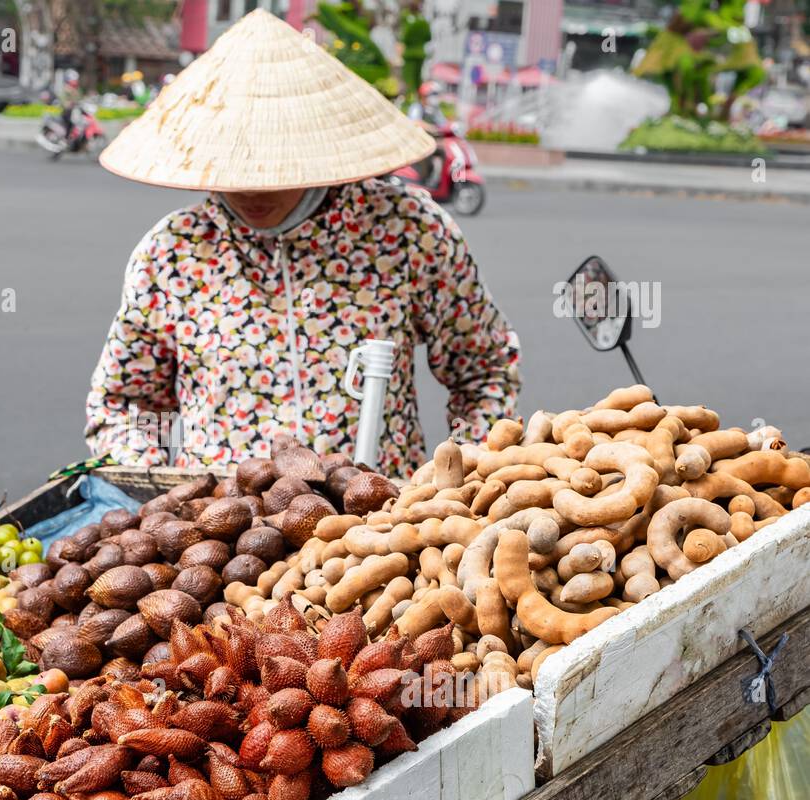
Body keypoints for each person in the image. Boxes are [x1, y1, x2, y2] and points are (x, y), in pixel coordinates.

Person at [85, 10, 520, 478]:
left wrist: (457, 482)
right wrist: (152, 491)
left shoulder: (410, 231)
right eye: (233, 172)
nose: (251, 190)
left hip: (381, 534)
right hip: (219, 539)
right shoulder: (171, 253)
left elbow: (485, 369)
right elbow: (125, 402)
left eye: (271, 172)